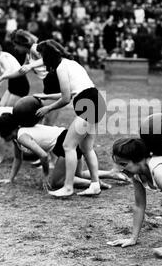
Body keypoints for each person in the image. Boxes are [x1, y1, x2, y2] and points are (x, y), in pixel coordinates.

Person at [33, 39, 107, 198]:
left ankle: (68, 187)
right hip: (95, 100)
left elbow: (66, 98)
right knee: (86, 147)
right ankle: (95, 185)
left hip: (88, 104)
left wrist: (48, 107)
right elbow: (73, 92)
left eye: (41, 55)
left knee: (68, 145)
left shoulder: (60, 67)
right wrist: (45, 96)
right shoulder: (71, 63)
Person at [0, 113, 129, 191]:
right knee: (78, 174)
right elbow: (18, 158)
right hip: (67, 137)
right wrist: (10, 179)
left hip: (64, 142)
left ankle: (94, 183)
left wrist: (45, 175)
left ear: (5, 131)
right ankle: (111, 174)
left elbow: (44, 156)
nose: (0, 137)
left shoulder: (21, 136)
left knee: (57, 182)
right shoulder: (18, 137)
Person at [0, 29, 60, 126]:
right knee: (43, 119)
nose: (15, 48)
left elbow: (49, 59)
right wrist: (3, 78)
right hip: (48, 84)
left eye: (16, 45)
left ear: (22, 43)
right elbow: (21, 71)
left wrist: (31, 66)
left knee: (47, 121)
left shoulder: (35, 49)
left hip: (55, 83)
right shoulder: (28, 54)